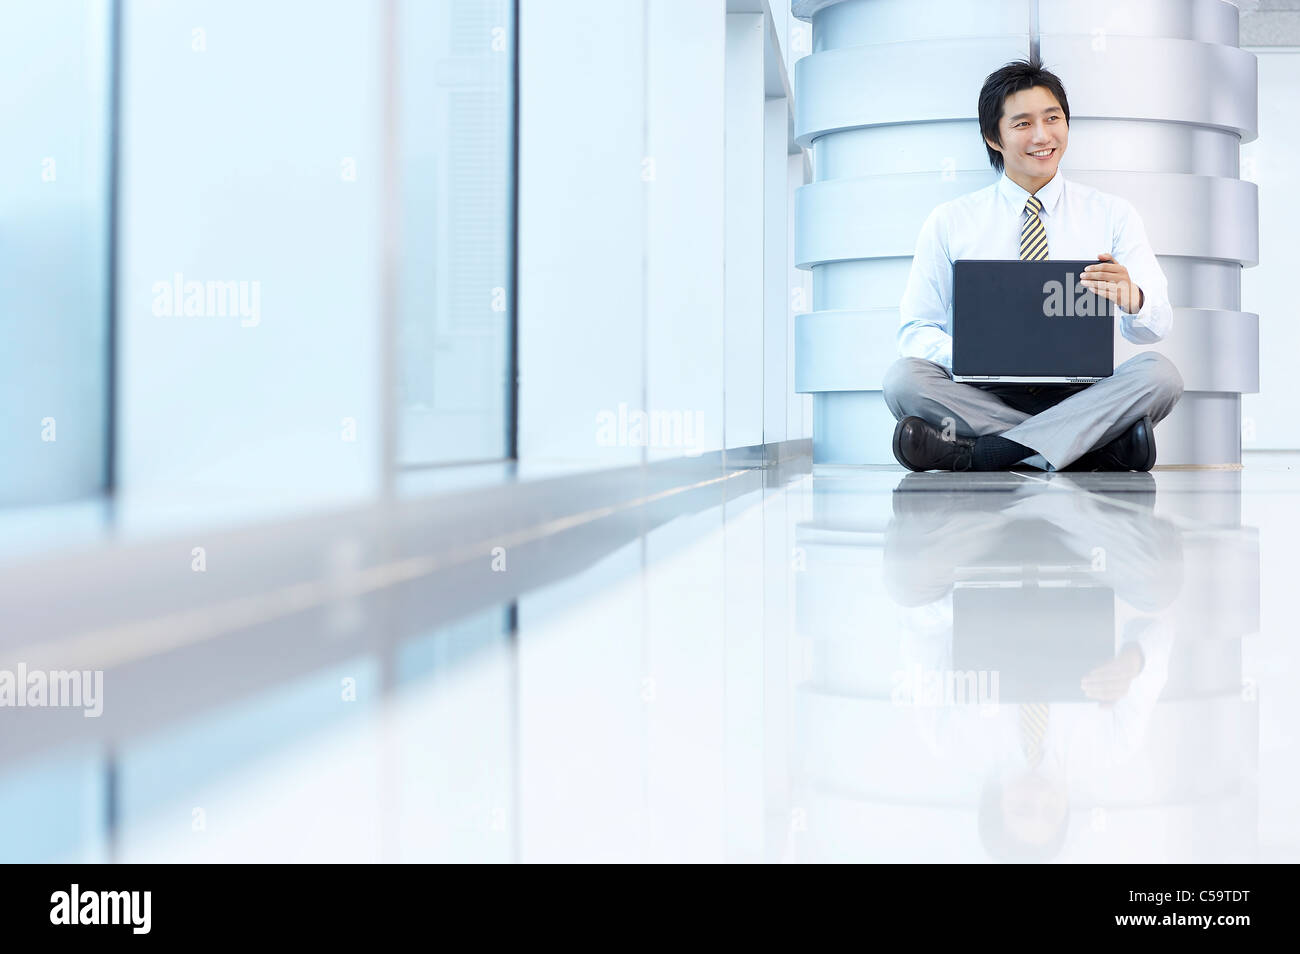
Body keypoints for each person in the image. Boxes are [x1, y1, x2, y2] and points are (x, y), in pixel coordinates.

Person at [883, 57, 1184, 473]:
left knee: (1161, 375)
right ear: (994, 137)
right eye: (1023, 124)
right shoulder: (950, 220)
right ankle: (1090, 447)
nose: (1043, 136)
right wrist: (978, 355)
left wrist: (1133, 297)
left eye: (1053, 118)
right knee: (904, 381)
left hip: (1082, 392)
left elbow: (1156, 325)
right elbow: (915, 331)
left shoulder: (1113, 214)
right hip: (984, 392)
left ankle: (984, 453)